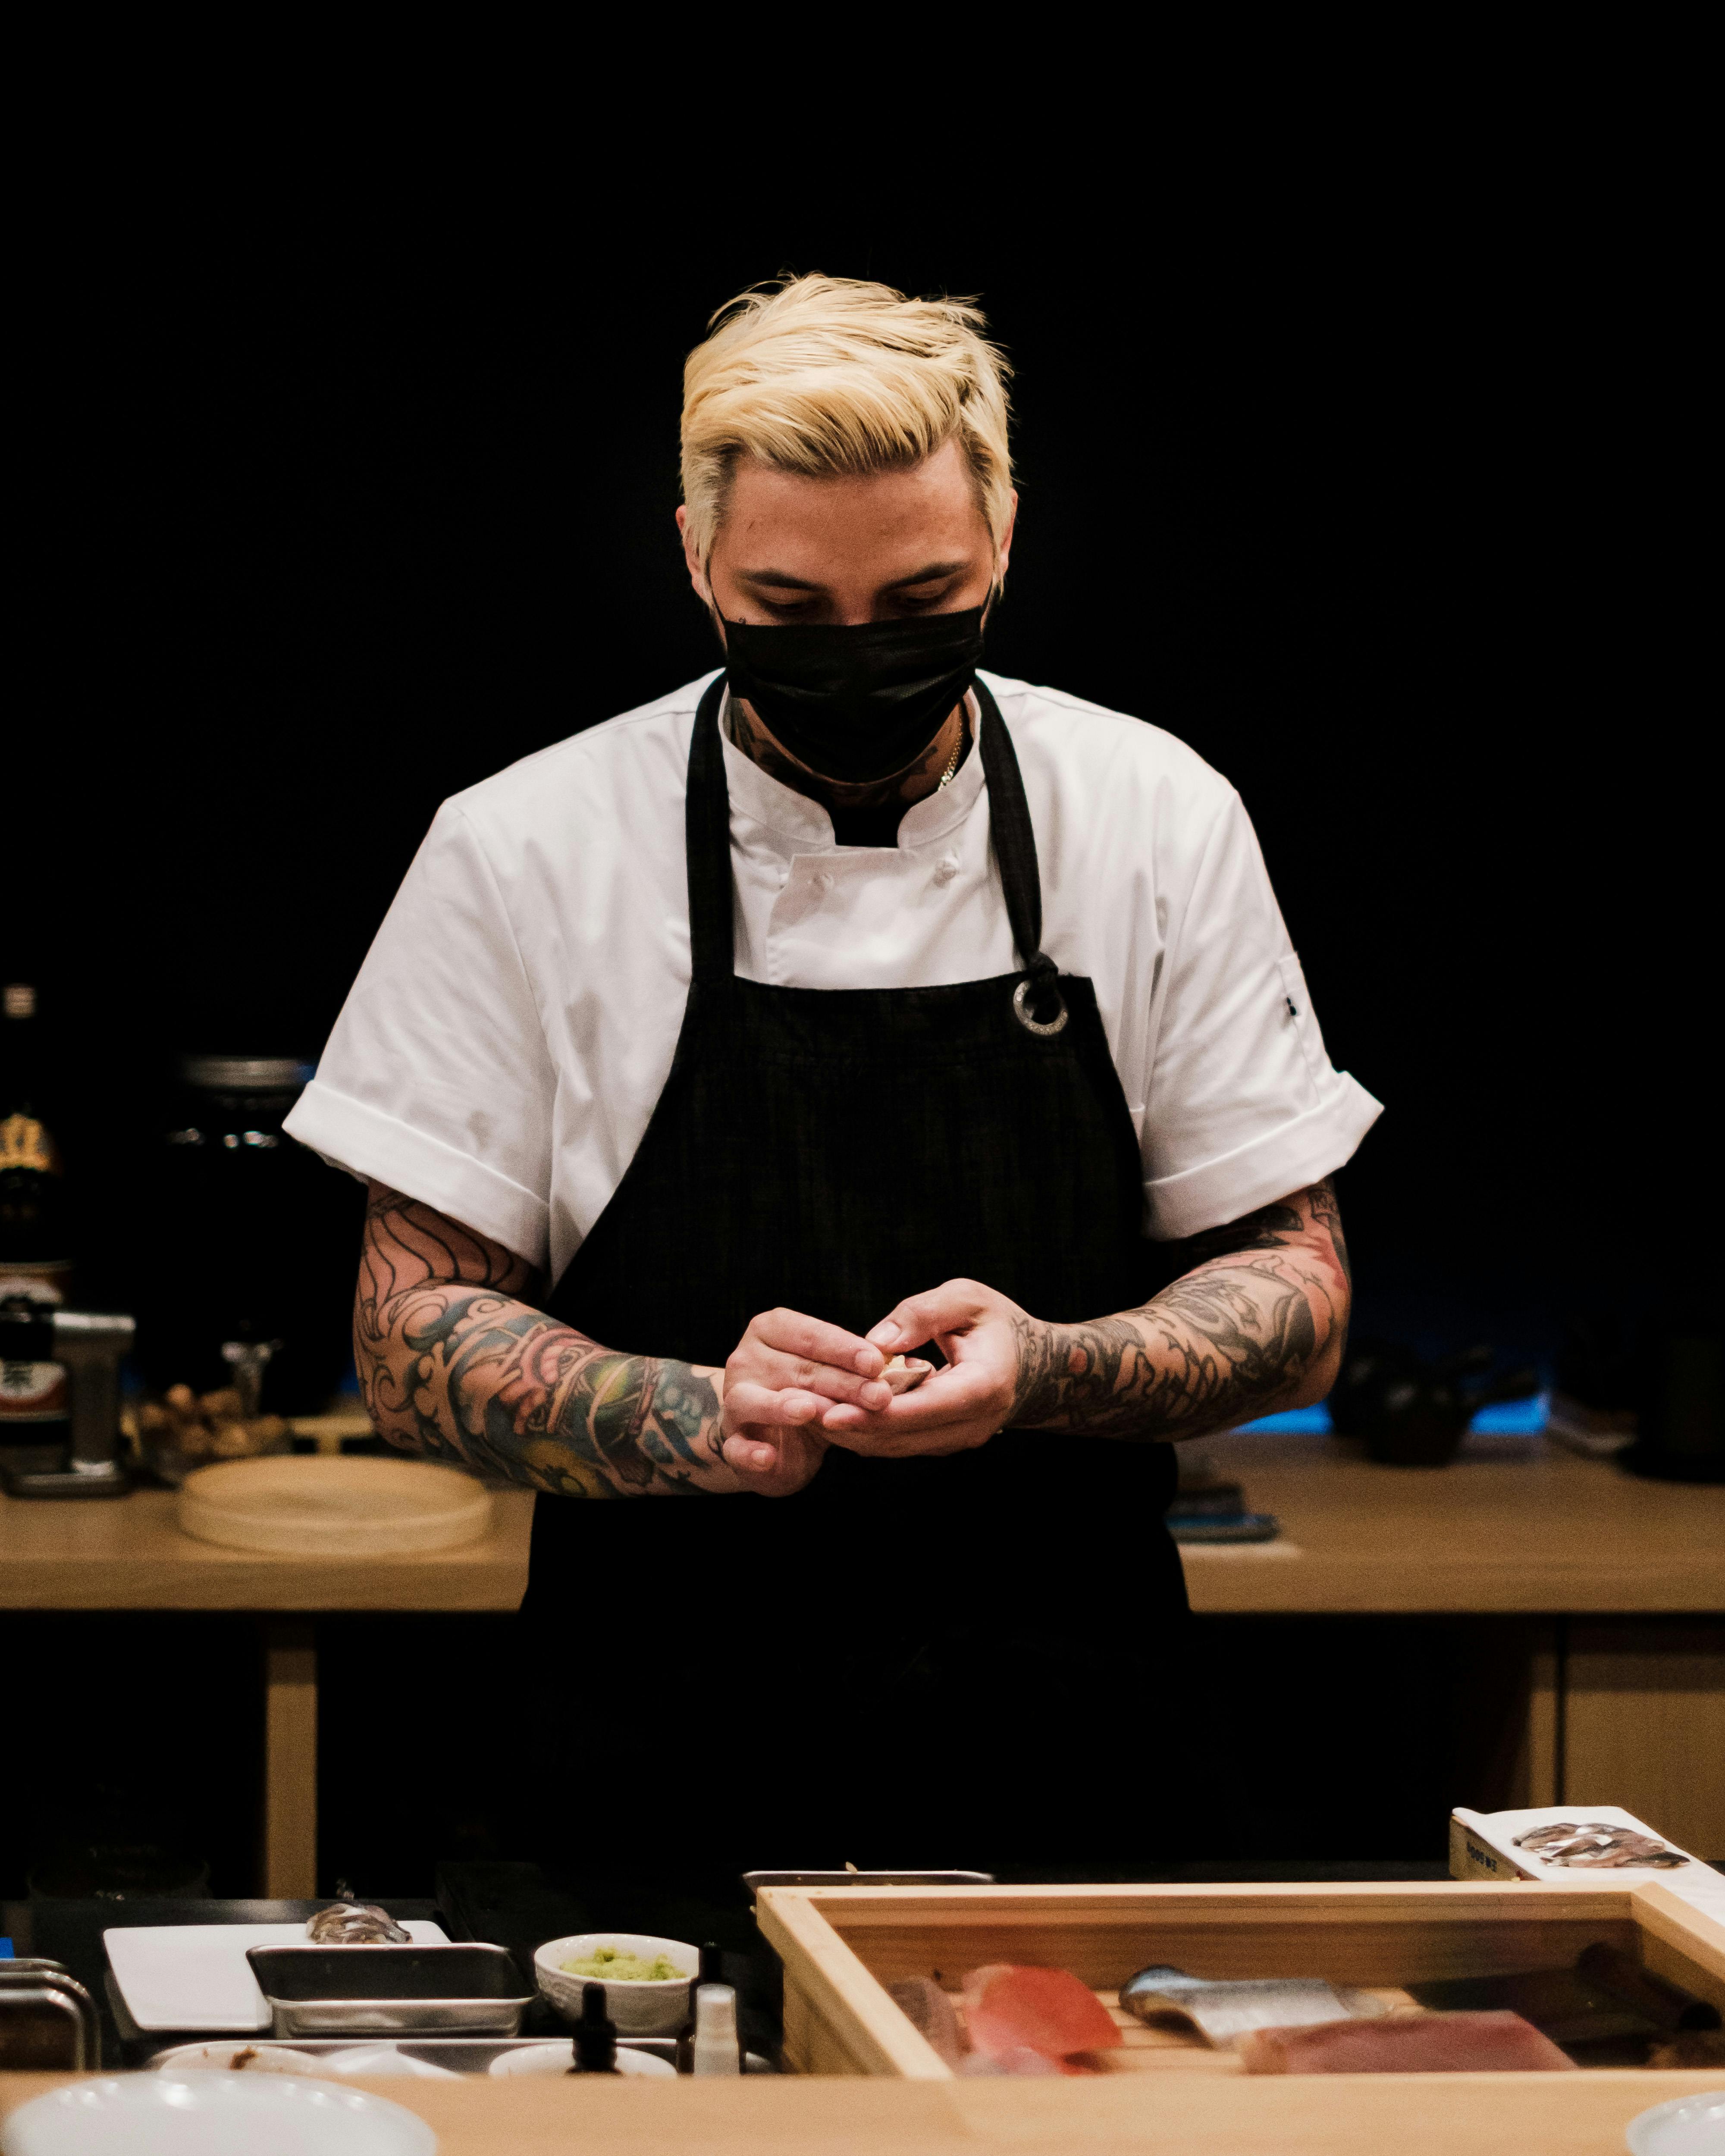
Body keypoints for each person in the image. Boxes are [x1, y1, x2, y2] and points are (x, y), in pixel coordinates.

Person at [286, 275, 1380, 1880]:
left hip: (1078, 1759)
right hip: (654, 1770)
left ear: (1003, 546)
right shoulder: (524, 849)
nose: (859, 658)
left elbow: (1298, 1288)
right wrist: (688, 1412)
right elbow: (407, 1336)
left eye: (922, 600)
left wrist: (1052, 1365)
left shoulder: (1154, 816)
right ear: (694, 559)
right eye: (791, 615)